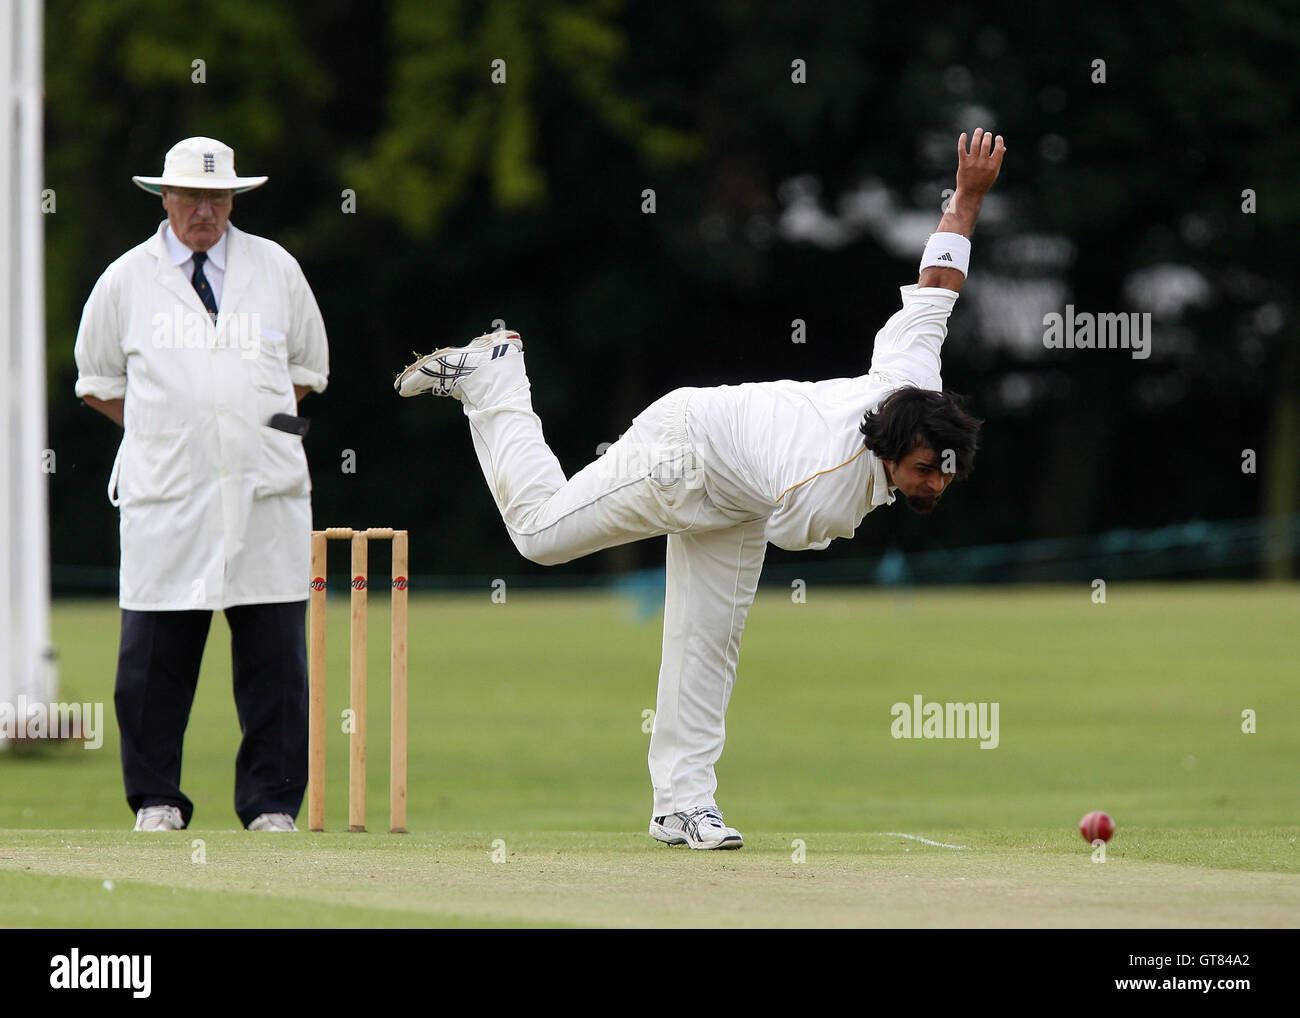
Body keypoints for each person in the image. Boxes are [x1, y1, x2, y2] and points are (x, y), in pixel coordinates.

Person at [395, 129, 1004, 849]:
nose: (937, 479)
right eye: (927, 468)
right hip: (685, 454)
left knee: (709, 643)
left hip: (741, 483)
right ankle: (497, 378)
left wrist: (964, 198)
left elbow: (936, 289)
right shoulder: (827, 489)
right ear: (893, 450)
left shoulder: (914, 382)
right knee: (537, 536)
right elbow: (790, 530)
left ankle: (682, 805)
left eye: (946, 468)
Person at [74, 136, 330, 832]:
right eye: (191, 196)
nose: (204, 211)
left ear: (233, 200)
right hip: (168, 494)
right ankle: (156, 799)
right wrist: (171, 430)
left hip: (265, 490)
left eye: (218, 198)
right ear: (165, 197)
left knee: (275, 654)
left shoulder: (274, 269)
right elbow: (96, 382)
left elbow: (308, 370)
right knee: (155, 655)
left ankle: (272, 804)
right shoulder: (127, 280)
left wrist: (259, 431)